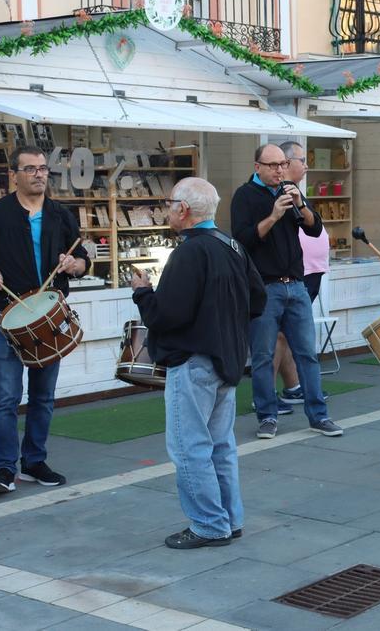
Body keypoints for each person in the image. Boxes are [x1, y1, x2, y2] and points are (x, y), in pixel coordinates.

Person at [130, 178, 266, 549]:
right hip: (228, 358)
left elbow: (166, 316)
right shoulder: (231, 244)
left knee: (190, 447)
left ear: (183, 210)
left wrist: (143, 292)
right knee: (219, 444)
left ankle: (208, 524)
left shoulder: (189, 252)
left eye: (170, 202)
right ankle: (229, 519)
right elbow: (258, 300)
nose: (167, 208)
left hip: (194, 361)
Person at [0, 145, 91, 494]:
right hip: (8, 312)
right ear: (13, 175)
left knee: (43, 396)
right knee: (5, 398)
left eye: (43, 168)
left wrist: (74, 265)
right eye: (30, 169)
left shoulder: (61, 214)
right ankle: (3, 468)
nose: (39, 174)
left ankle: (33, 462)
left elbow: (81, 259)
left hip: (49, 313)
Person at [231, 144, 341, 439]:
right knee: (264, 357)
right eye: (272, 165)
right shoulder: (244, 196)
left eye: (282, 164)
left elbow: (315, 229)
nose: (279, 170)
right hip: (264, 288)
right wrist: (273, 216)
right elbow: (242, 241)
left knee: (307, 354)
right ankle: (267, 416)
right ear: (257, 167)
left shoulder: (290, 189)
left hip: (297, 284)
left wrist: (300, 206)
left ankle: (319, 416)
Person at [272, 141, 329, 410]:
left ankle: (294, 386)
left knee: (292, 336)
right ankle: (273, 393)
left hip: (310, 271)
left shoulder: (295, 192)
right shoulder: (275, 193)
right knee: (281, 335)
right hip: (294, 275)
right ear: (286, 162)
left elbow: (312, 226)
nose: (306, 165)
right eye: (301, 160)